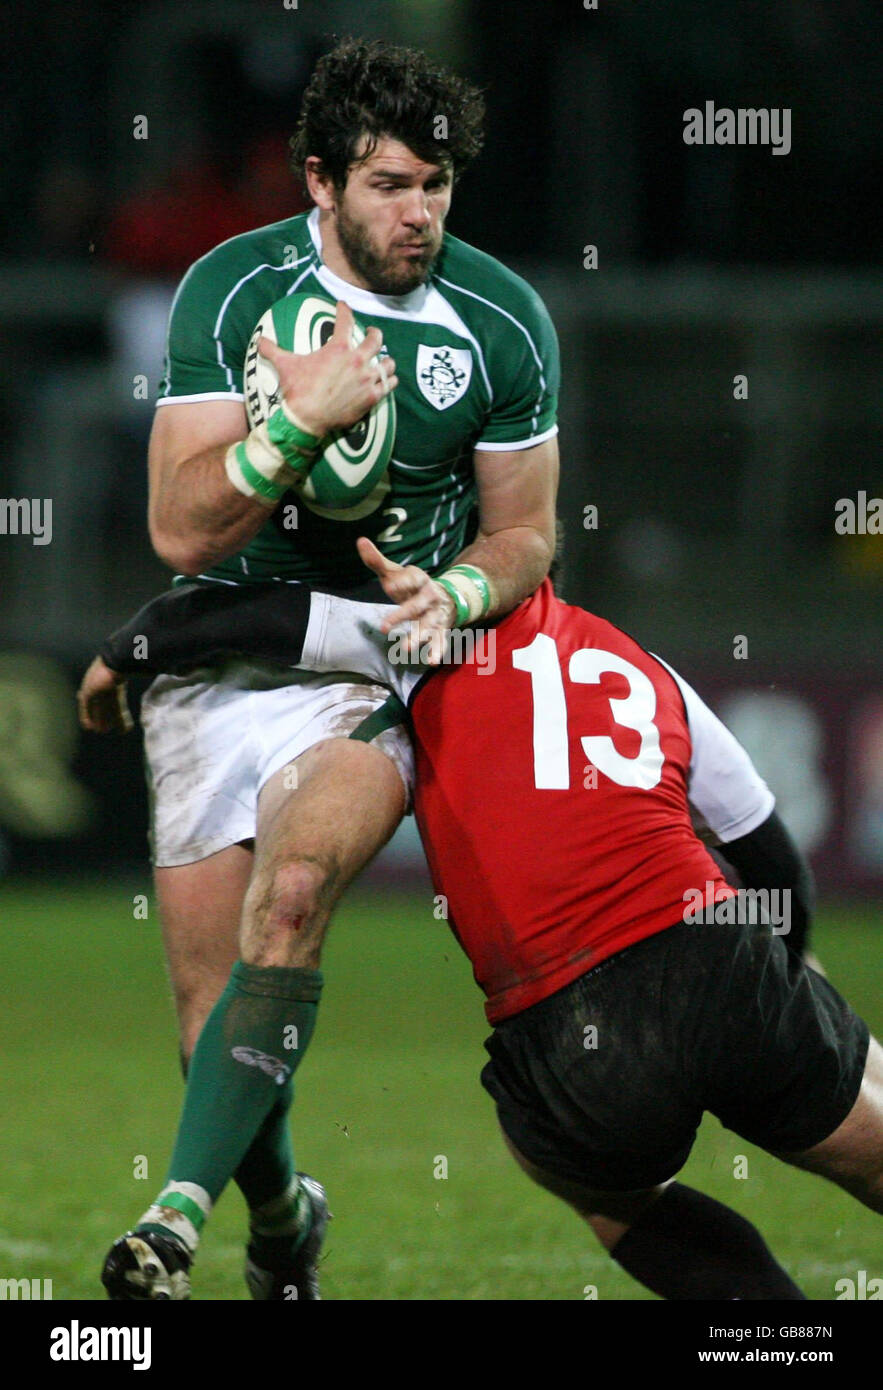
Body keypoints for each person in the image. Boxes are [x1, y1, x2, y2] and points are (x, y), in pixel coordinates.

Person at [80, 542, 881, 1300]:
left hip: (567, 1016)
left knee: (610, 1195)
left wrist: (119, 656)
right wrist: (792, 965)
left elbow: (221, 620)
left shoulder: (421, 637)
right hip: (716, 956)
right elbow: (772, 860)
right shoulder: (646, 667)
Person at [92, 38, 559, 1300]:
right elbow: (183, 530)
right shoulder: (227, 293)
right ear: (319, 181)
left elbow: (527, 529)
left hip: (372, 674)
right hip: (221, 663)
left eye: (438, 187)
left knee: (292, 899)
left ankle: (175, 1220)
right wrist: (297, 422)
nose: (422, 215)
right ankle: (288, 1212)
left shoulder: (502, 320)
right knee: (215, 1032)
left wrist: (460, 588)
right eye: (392, 186)